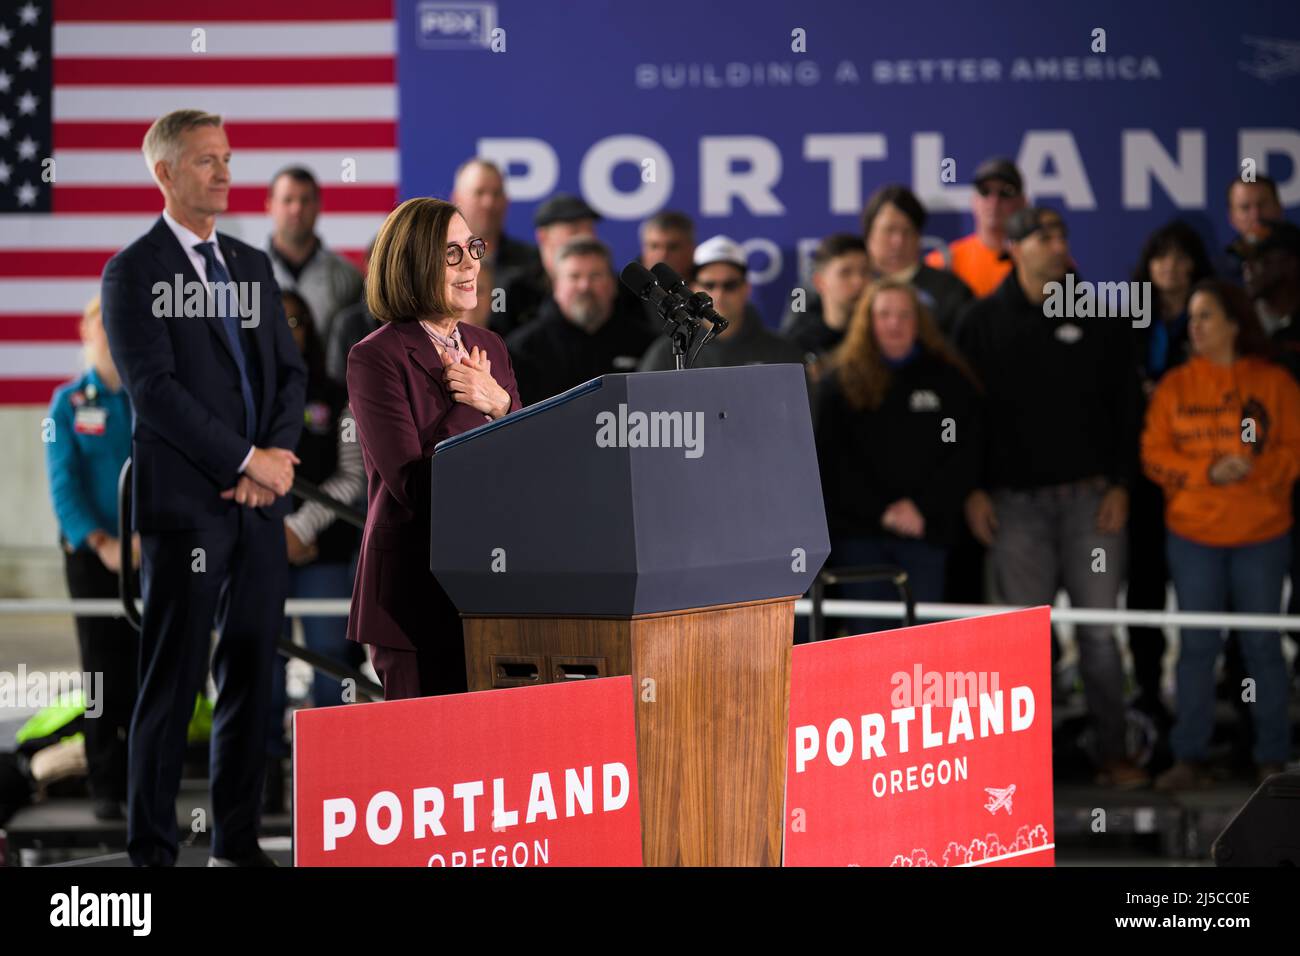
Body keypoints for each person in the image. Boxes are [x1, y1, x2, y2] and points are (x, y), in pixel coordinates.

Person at [102, 109, 306, 866]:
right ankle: (151, 853)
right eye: (206, 161)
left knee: (253, 674)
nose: (224, 172)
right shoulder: (133, 271)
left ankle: (235, 843)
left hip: (259, 507)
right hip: (188, 510)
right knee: (174, 681)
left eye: (226, 158)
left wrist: (276, 458)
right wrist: (244, 461)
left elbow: (288, 372)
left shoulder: (251, 265)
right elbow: (154, 392)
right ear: (165, 173)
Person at [956, 206, 1147, 788]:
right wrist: (972, 490)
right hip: (1014, 506)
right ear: (1013, 248)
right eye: (1044, 235)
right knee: (1020, 639)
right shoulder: (980, 321)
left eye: (1062, 234)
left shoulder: (1100, 317)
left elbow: (1126, 407)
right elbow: (964, 416)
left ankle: (1114, 754)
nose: (1058, 243)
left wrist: (1120, 483)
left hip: (1092, 501)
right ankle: (1020, 766)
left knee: (1097, 633)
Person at [345, 197, 521, 699]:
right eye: (451, 254)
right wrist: (477, 404)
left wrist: (504, 406)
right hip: (411, 595)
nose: (471, 264)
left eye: (473, 247)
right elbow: (414, 485)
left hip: (491, 584)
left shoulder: (492, 346)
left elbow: (522, 461)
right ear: (414, 263)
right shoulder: (374, 357)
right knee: (430, 762)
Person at [1142, 279, 1300, 788]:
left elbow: (1293, 449)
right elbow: (1154, 455)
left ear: (1235, 323)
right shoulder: (1174, 388)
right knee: (1196, 646)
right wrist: (1207, 471)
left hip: (1262, 532)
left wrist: (1254, 470)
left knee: (1262, 646)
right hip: (1194, 536)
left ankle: (1271, 756)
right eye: (1192, 316)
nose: (1195, 325)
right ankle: (1190, 755)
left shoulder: (1274, 383)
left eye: (1207, 315)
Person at [813, 279, 982, 635]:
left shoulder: (950, 379)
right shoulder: (839, 382)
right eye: (884, 314)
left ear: (919, 321)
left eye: (904, 314)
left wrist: (921, 508)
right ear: (867, 321)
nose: (894, 323)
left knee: (923, 643)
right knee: (868, 641)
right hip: (859, 537)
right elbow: (831, 462)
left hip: (926, 532)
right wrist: (883, 511)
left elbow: (965, 454)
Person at [264, 291, 366, 812]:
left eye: (295, 320)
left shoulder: (337, 395)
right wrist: (272, 535)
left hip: (323, 552)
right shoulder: (238, 395)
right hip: (258, 553)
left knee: (331, 668)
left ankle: (335, 789)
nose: (286, 329)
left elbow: (353, 477)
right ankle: (261, 791)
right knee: (258, 670)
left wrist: (300, 527)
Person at [44, 296, 141, 822]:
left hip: (148, 554)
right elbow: (63, 485)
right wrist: (103, 544)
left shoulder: (144, 399)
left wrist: (146, 539)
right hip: (91, 558)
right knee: (102, 673)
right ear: (85, 329)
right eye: (102, 323)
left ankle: (147, 778)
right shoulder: (67, 403)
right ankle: (106, 781)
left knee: (149, 668)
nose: (111, 333)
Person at [1126, 221, 1216, 720]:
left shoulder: (1215, 316)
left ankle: (1209, 704)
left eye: (1181, 258)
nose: (1170, 268)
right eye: (1161, 257)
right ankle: (1146, 692)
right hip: (1144, 477)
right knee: (1144, 587)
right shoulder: (1129, 320)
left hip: (1203, 475)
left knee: (1204, 593)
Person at [507, 237, 655, 405]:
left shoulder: (645, 344)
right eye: (574, 276)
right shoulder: (522, 350)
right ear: (556, 286)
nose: (584, 286)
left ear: (613, 285)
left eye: (595, 276)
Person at [638, 235, 806, 372]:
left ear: (747, 288)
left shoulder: (782, 353)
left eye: (730, 285)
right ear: (694, 287)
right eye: (709, 285)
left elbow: (802, 412)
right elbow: (643, 410)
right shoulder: (668, 353)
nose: (719, 294)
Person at [264, 166, 364, 374]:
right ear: (269, 205)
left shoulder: (348, 277)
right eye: (288, 200)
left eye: (305, 200)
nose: (296, 209)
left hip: (331, 396)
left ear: (319, 206)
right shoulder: (244, 273)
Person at [862, 184, 973, 338]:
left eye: (907, 231)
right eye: (889, 230)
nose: (898, 241)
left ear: (919, 237)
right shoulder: (853, 288)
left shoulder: (950, 291)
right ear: (869, 236)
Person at [493, 193, 599, 337]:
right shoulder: (513, 288)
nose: (585, 239)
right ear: (543, 236)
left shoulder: (607, 285)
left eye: (590, 230)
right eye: (574, 230)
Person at [925, 157, 1026, 298]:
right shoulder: (944, 261)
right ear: (974, 200)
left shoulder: (1038, 260)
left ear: (1023, 202)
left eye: (1005, 192)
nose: (994, 201)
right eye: (985, 191)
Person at [780, 233, 870, 380]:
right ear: (820, 282)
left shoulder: (884, 335)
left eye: (865, 271)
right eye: (845, 273)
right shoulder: (799, 345)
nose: (859, 282)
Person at [449, 158, 539, 275]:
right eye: (479, 192)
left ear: (507, 201)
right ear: (456, 199)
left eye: (497, 193)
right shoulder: (435, 260)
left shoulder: (531, 264)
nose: (489, 203)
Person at [1223, 175, 1284, 284]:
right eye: (1245, 207)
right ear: (1231, 217)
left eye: (1263, 205)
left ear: (1278, 207)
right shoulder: (1220, 270)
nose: (1256, 215)